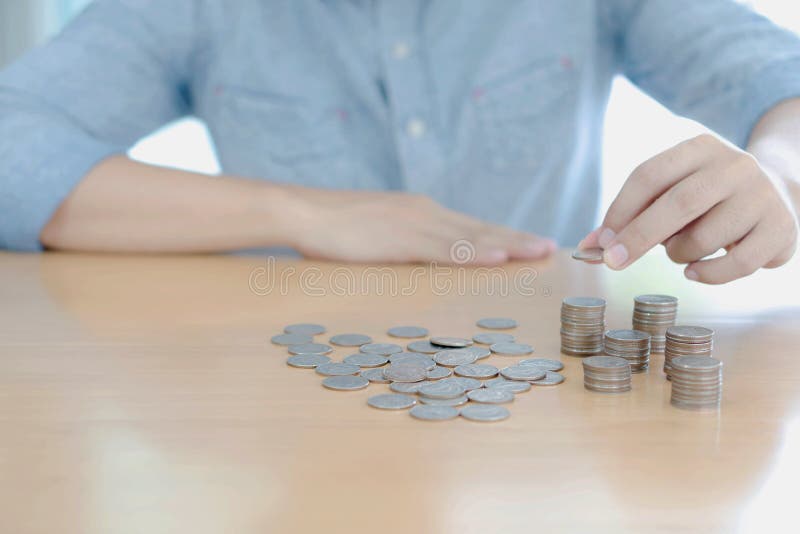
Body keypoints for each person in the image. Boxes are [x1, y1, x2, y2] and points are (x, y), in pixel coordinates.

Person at [0, 0, 798, 284]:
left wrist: (777, 173)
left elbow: (779, 80)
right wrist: (298, 212)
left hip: (538, 383)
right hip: (289, 384)